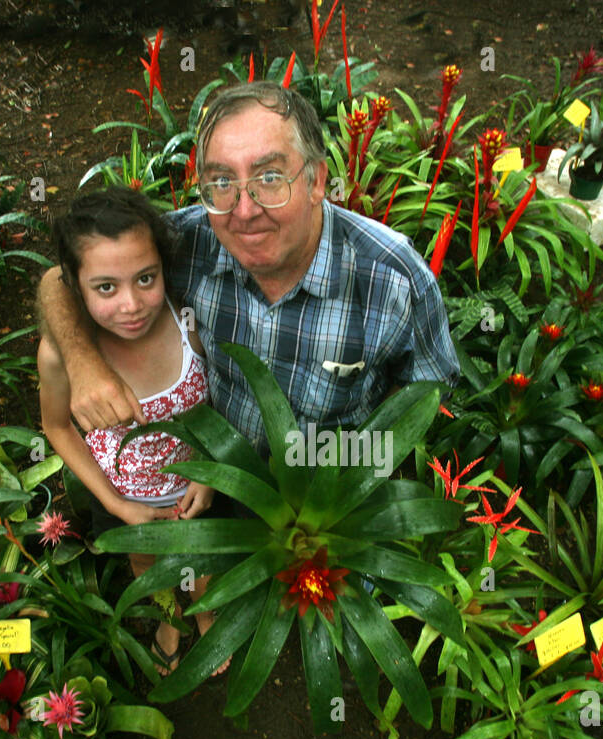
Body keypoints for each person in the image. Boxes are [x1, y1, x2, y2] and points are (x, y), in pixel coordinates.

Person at [36, 81, 459, 457]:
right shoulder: (191, 240)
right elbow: (60, 280)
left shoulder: (391, 277)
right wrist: (81, 361)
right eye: (221, 182)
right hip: (215, 477)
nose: (244, 210)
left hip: (327, 499)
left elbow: (428, 395)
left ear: (315, 181)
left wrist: (363, 460)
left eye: (269, 177)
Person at [37, 186, 226, 675]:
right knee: (147, 567)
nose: (131, 304)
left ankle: (204, 612)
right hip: (127, 499)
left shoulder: (190, 324)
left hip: (195, 491)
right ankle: (170, 620)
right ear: (75, 285)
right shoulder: (62, 355)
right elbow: (56, 427)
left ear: (164, 267)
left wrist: (208, 473)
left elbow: (223, 402)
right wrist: (116, 504)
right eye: (106, 288)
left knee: (203, 564)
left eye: (146, 278)